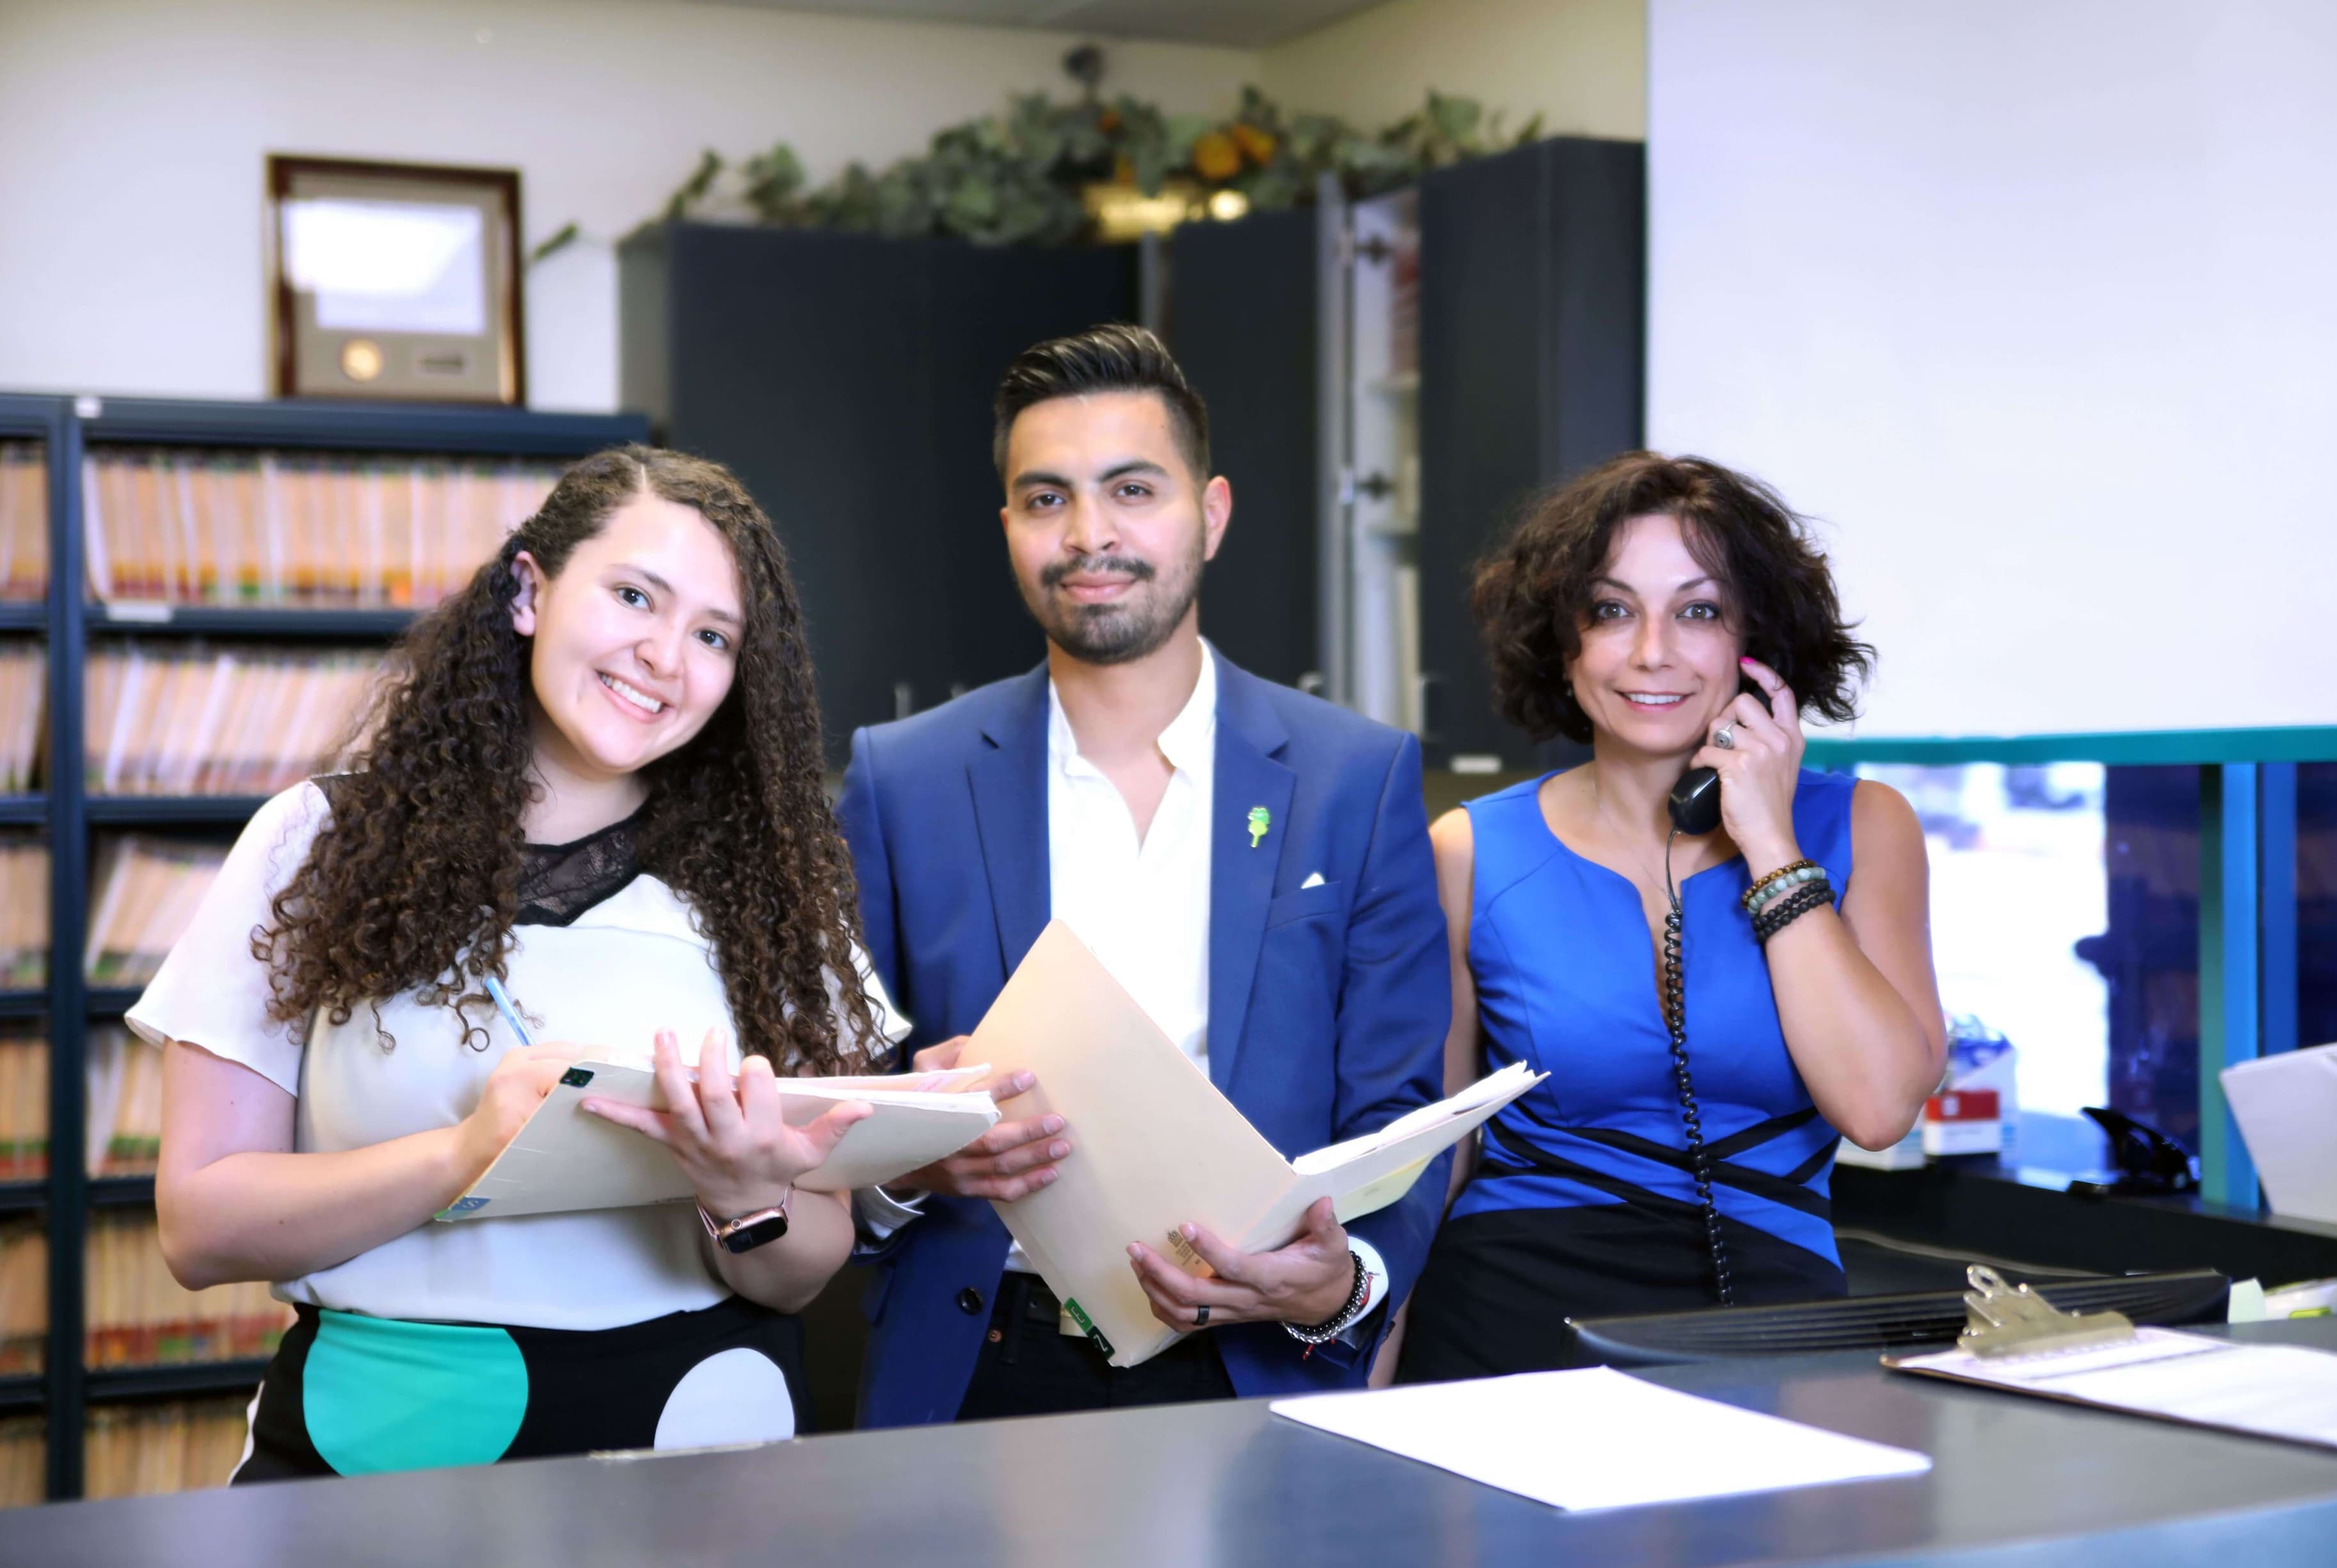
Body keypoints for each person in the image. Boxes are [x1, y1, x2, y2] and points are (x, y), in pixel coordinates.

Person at [140, 446, 911, 1478]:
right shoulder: (313, 843)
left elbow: (801, 1277)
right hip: (383, 1447)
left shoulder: (769, 888)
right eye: (634, 595)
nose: (664, 657)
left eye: (713, 635)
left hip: (708, 1454)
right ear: (527, 592)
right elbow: (200, 1230)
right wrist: (462, 1157)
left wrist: (743, 1199)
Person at [840, 324, 1450, 1426]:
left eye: (1131, 489)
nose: (1089, 535)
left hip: (1257, 1357)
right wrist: (906, 1161)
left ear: (1210, 515)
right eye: (1046, 499)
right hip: (980, 1357)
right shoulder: (904, 778)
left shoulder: (1354, 778)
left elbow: (1396, 1112)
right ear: (1010, 528)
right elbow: (836, 1100)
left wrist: (1344, 1281)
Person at [1395, 452, 1946, 1383]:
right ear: (1562, 643)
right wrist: (1363, 1399)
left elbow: (1879, 1106)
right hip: (1513, 1306)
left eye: (1698, 610)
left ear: (1756, 641)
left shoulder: (1861, 825)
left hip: (1769, 1314)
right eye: (1611, 611)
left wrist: (1768, 838)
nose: (1652, 651)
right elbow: (1428, 1168)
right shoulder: (1469, 851)